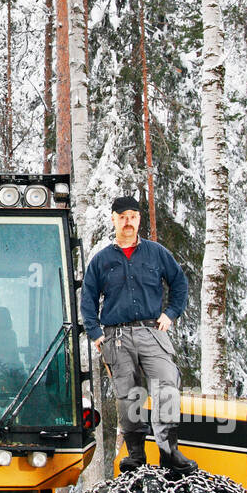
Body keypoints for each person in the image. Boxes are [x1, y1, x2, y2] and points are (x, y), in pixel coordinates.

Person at [80, 194, 197, 475]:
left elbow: (179, 283)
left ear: (139, 219)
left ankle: (169, 451)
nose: (127, 222)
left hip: (151, 332)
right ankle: (135, 455)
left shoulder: (157, 253)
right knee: (127, 395)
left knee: (167, 385)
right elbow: (88, 298)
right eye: (122, 218)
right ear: (114, 220)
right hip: (116, 337)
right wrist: (95, 333)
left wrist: (170, 314)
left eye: (132, 216)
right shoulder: (101, 260)